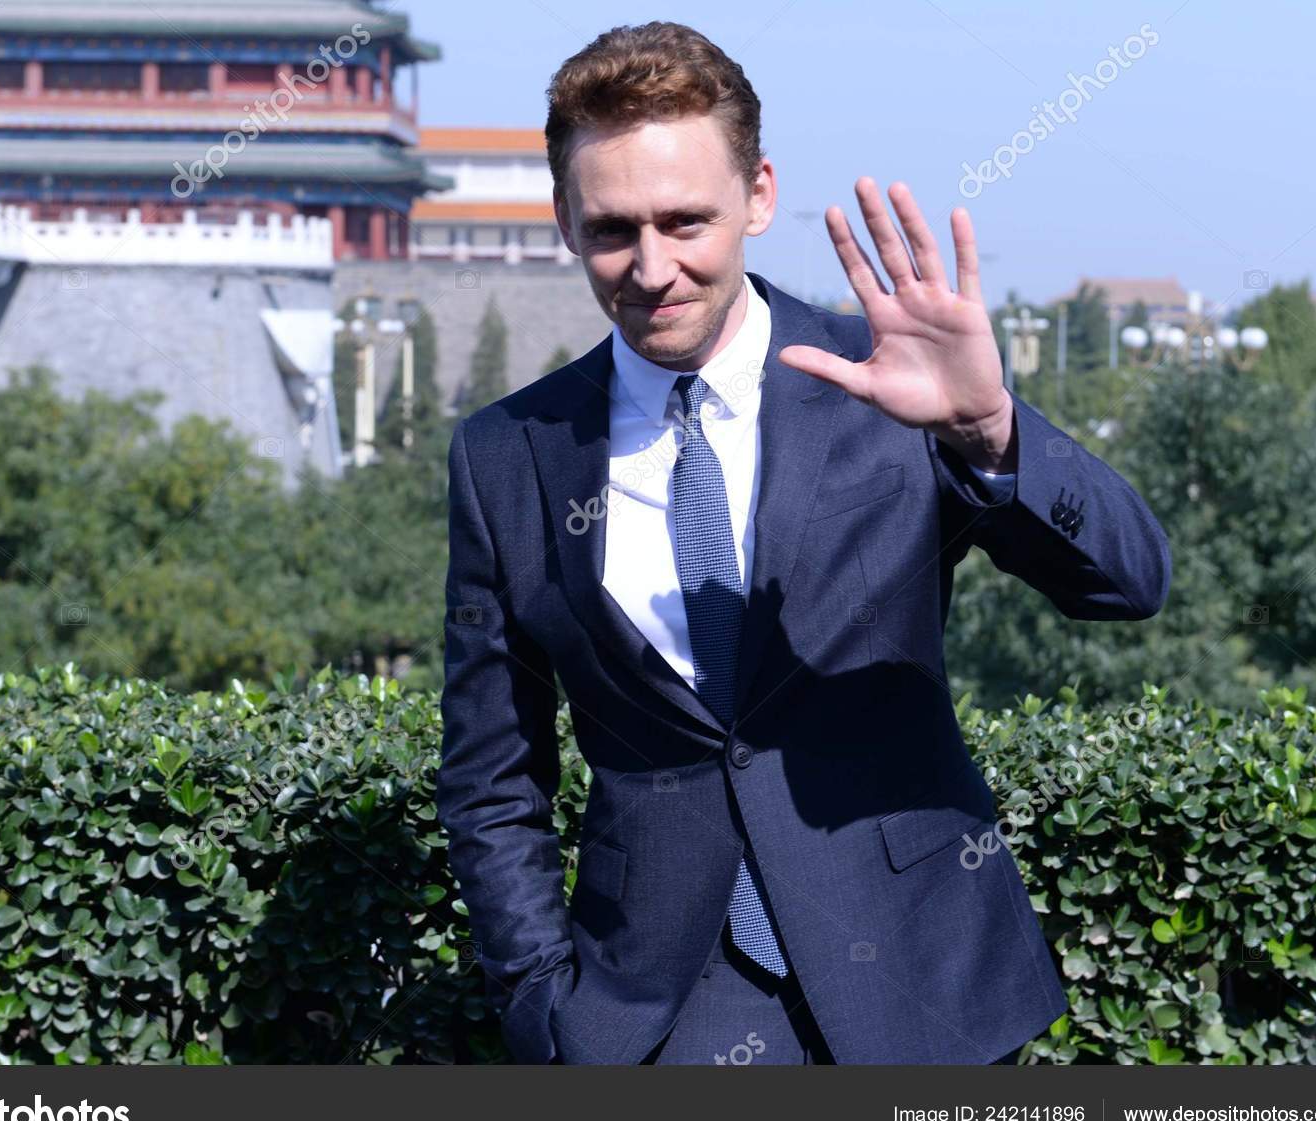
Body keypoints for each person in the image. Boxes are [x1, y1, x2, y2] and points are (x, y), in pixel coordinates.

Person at [435, 21, 1170, 1065]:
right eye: (611, 229)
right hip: (657, 1010)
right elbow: (491, 771)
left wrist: (987, 428)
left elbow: (1129, 580)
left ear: (759, 197)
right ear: (562, 218)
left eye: (686, 220)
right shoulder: (506, 454)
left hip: (929, 990)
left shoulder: (892, 383)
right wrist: (539, 999)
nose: (651, 268)